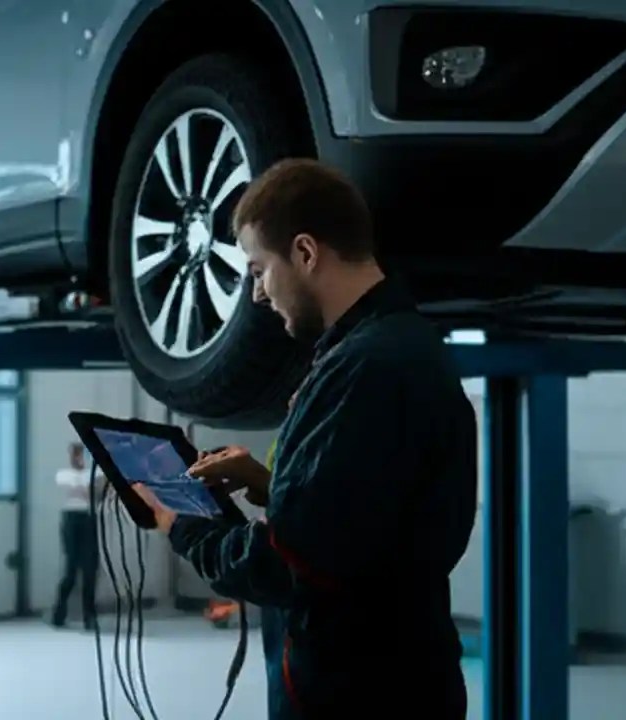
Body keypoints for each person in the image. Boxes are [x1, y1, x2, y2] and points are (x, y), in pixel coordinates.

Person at [132, 159, 478, 719]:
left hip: (355, 694)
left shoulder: (364, 370)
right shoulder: (395, 346)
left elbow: (288, 563)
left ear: (305, 253)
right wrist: (271, 485)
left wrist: (180, 523)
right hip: (401, 674)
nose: (257, 295)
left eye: (259, 270)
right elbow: (367, 517)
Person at [51, 441, 101, 630]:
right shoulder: (64, 474)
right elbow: (82, 489)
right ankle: (59, 613)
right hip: (72, 519)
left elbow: (96, 490)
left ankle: (90, 616)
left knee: (90, 570)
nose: (76, 458)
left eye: (79, 454)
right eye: (74, 454)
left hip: (89, 519)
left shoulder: (94, 474)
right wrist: (87, 488)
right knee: (70, 569)